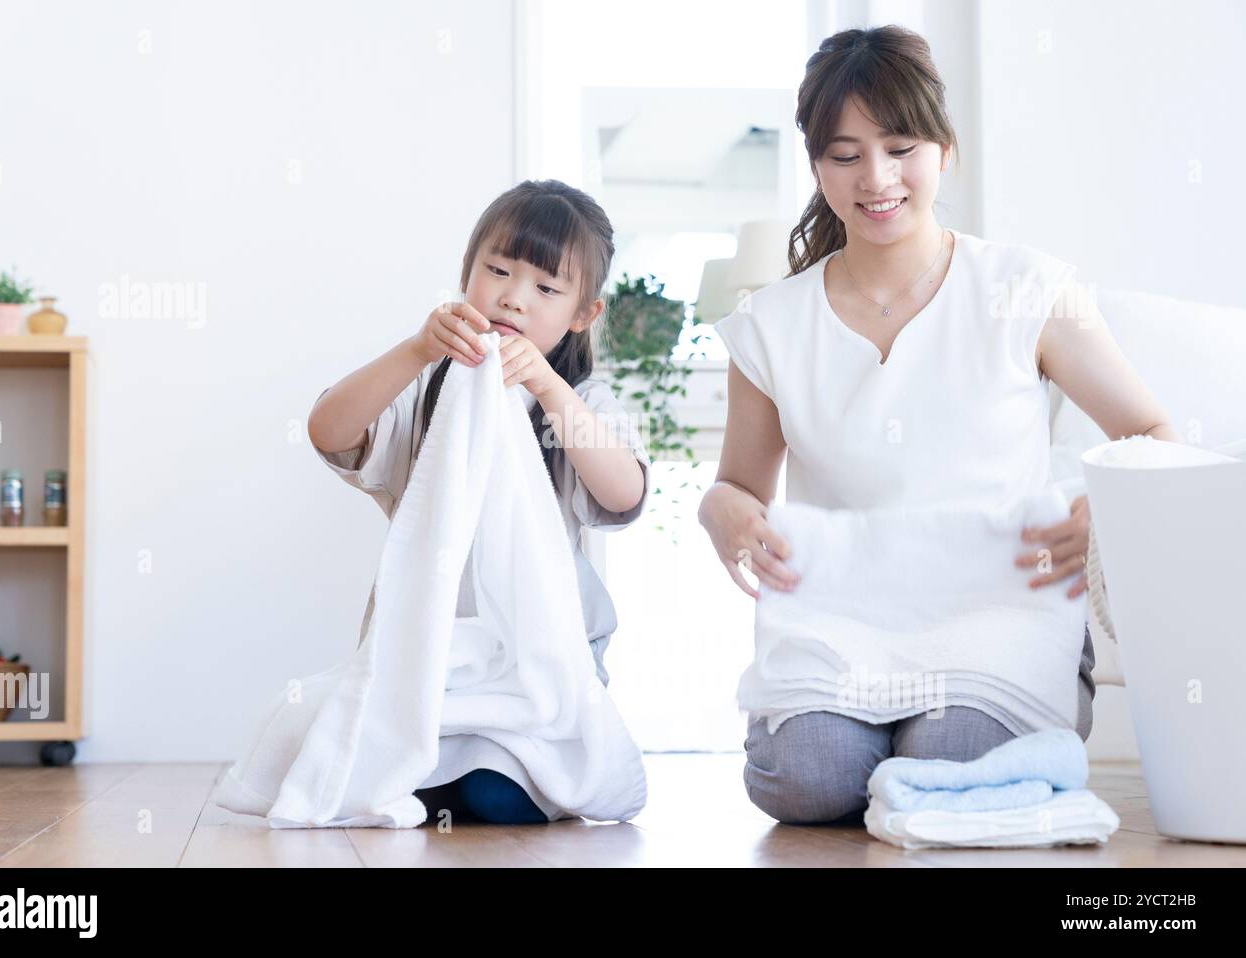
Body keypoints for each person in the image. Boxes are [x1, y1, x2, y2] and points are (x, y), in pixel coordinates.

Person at [699, 25, 1180, 825]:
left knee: (947, 757)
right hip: (840, 615)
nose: (876, 177)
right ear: (816, 165)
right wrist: (725, 514)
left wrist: (1105, 507)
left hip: (999, 609)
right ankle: (885, 760)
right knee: (809, 780)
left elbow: (1153, 430)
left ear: (944, 150)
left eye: (900, 146)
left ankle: (932, 757)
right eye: (845, 154)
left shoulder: (1026, 288)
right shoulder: (771, 325)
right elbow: (737, 486)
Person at [308, 180, 650, 824]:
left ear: (583, 314)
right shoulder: (427, 385)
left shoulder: (578, 398)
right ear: (466, 272)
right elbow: (328, 430)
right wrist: (416, 350)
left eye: (546, 289)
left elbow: (623, 491)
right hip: (429, 655)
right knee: (392, 786)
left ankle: (495, 770)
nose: (513, 298)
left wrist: (549, 388)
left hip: (538, 663)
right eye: (497, 271)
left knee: (497, 798)